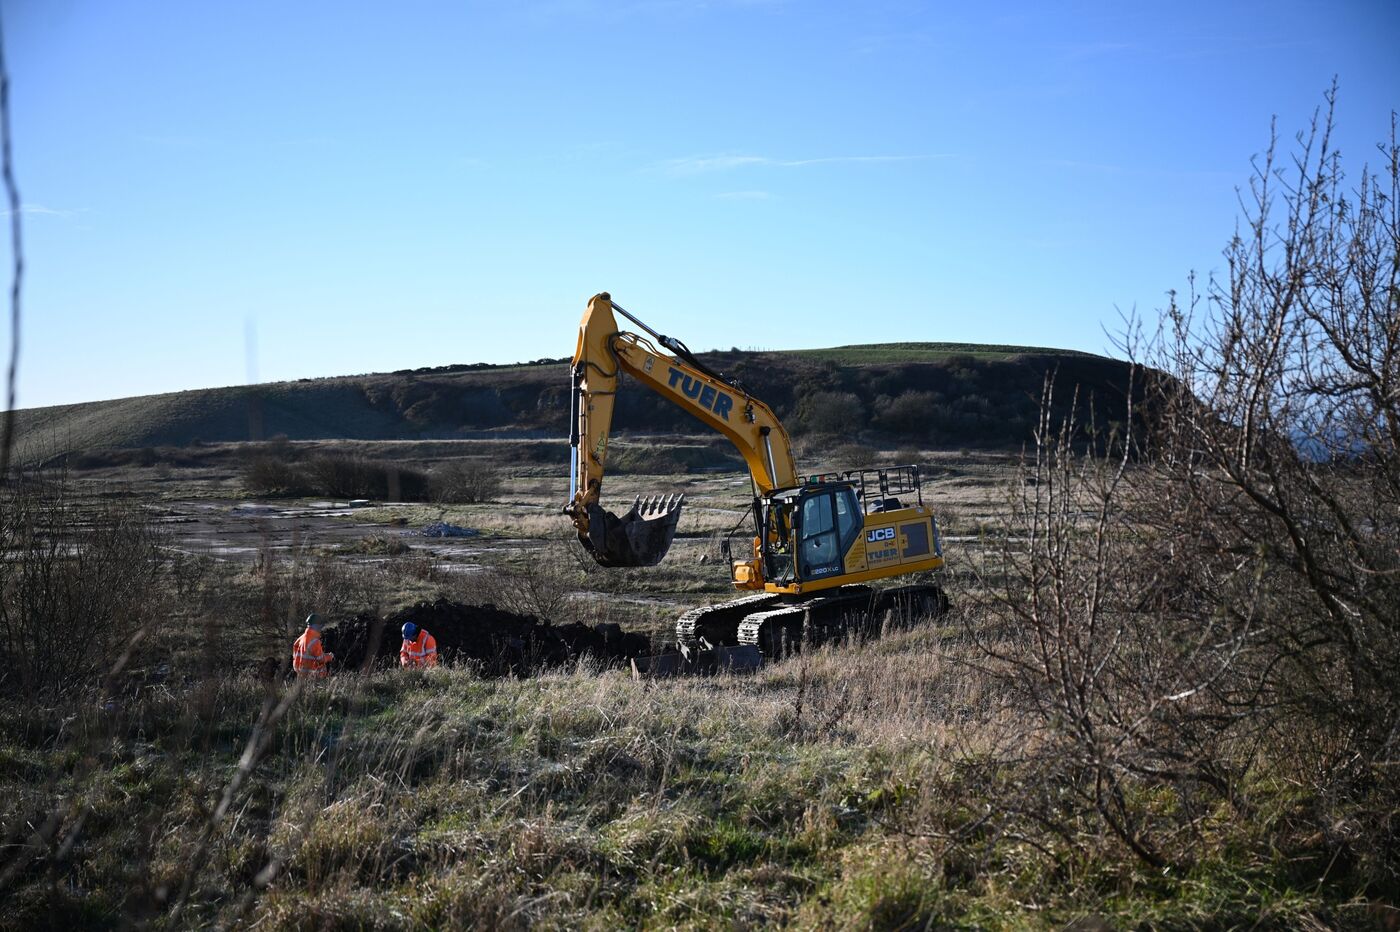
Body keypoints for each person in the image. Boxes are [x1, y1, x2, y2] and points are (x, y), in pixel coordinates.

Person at [292, 613, 334, 678]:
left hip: (301, 674)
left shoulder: (301, 638)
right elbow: (320, 659)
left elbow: (295, 653)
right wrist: (329, 656)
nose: (321, 628)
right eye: (320, 626)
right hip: (313, 676)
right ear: (316, 626)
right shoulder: (315, 641)